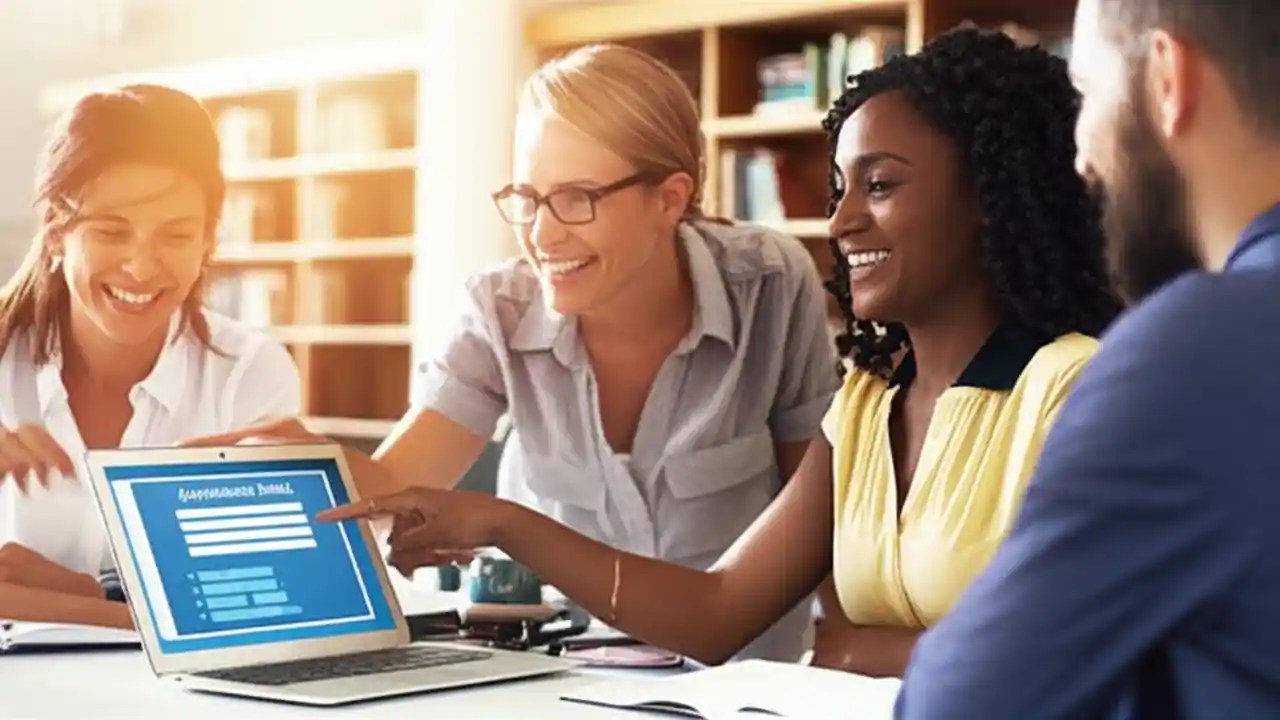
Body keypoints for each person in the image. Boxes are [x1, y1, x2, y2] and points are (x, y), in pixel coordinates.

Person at [310, 28, 1123, 676]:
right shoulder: (869, 406)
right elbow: (736, 614)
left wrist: (865, 654)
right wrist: (489, 517)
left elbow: (1076, 658)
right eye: (840, 191)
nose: (838, 225)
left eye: (879, 186)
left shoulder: (1074, 388)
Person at [187, 44, 840, 661]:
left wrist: (845, 660)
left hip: (741, 685)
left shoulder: (770, 287)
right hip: (567, 679)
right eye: (526, 197)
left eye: (576, 199)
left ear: (669, 199)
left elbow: (826, 515)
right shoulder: (498, 311)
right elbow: (396, 485)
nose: (542, 233)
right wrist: (303, 467)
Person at [892, 0, 1280, 717]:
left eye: (1087, 96)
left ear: (1168, 78)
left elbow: (958, 705)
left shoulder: (1199, 349)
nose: (1079, 157)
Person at [0, 85, 300, 628]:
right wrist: (130, 610)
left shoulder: (249, 374)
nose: (142, 267)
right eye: (112, 232)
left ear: (208, 240)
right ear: (56, 236)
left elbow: (261, 602)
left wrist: (80, 596)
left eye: (177, 235)